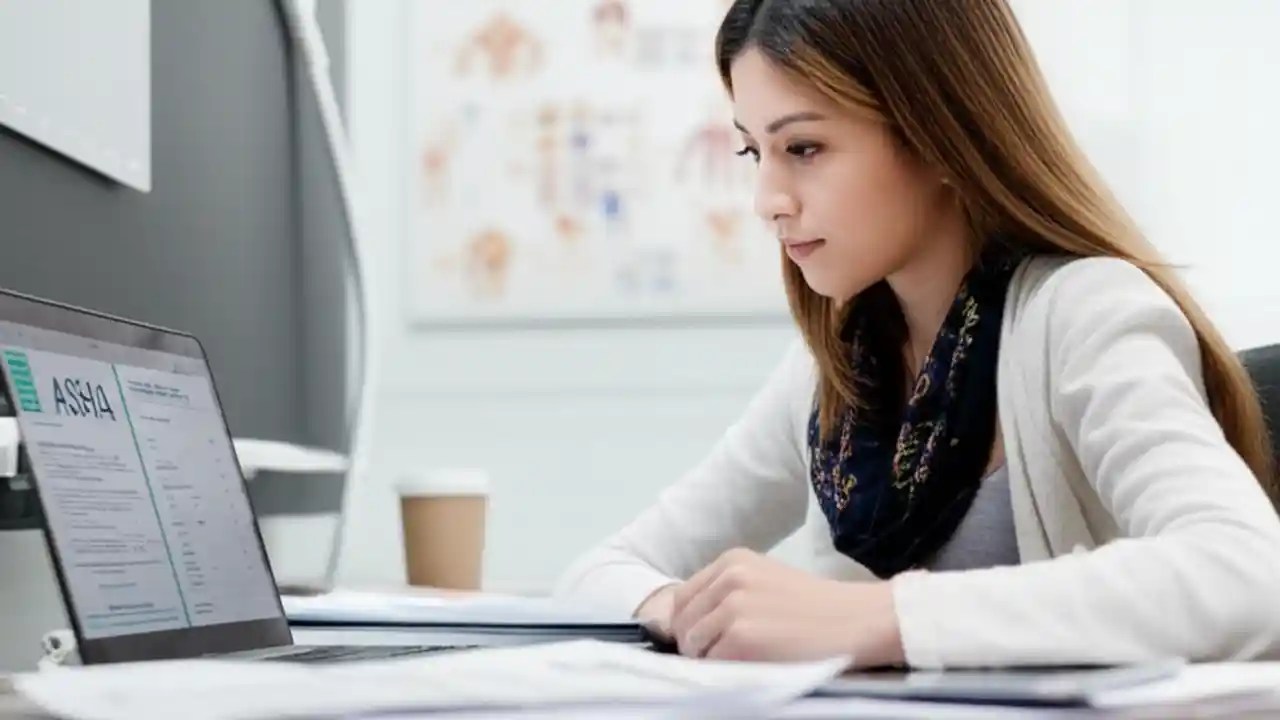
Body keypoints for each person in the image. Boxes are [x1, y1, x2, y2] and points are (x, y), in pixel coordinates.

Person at [554, 0, 1280, 670]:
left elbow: (1249, 576)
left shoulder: (1083, 313)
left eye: (803, 148)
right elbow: (601, 572)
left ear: (935, 134)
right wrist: (693, 613)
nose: (767, 201)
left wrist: (876, 618)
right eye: (753, 152)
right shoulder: (831, 370)